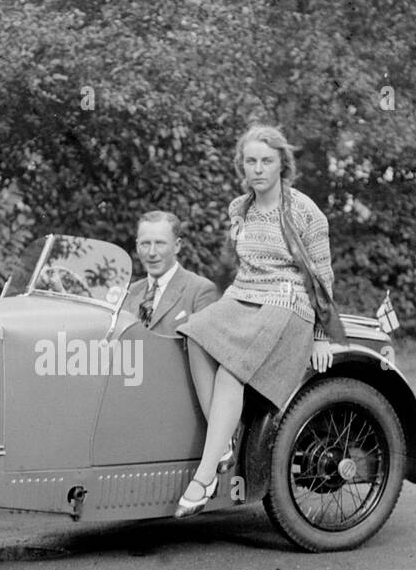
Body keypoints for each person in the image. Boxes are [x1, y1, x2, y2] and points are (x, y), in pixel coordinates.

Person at [174, 124, 346, 518]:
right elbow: (245, 267)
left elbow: (323, 276)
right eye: (250, 161)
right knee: (194, 334)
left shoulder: (305, 212)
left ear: (282, 164)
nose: (258, 169)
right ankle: (227, 443)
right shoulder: (240, 208)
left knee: (231, 370)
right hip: (244, 294)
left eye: (266, 161)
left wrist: (321, 336)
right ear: (242, 166)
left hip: (288, 303)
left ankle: (204, 476)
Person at [121, 211, 219, 337]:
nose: (151, 252)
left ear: (177, 246)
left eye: (160, 243)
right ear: (137, 246)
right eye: (145, 244)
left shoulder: (200, 291)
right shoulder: (128, 293)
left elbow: (203, 348)